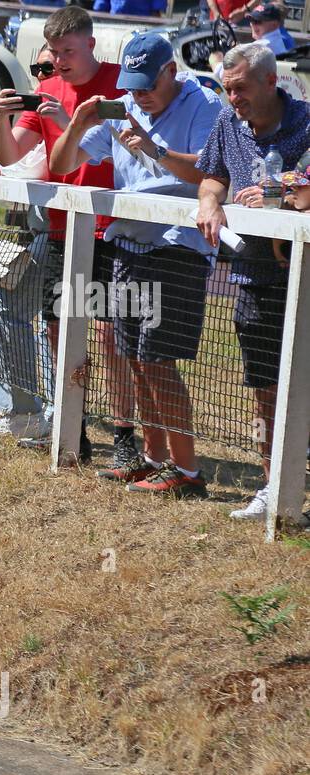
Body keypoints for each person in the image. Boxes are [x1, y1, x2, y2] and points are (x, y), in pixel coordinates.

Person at [51, 34, 223, 497]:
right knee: (134, 359)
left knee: (158, 361)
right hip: (128, 246)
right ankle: (153, 459)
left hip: (177, 248)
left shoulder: (204, 104)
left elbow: (213, 173)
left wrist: (154, 149)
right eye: (133, 83)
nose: (139, 94)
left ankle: (187, 473)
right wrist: (79, 121)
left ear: (171, 71)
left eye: (147, 83)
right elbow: (63, 163)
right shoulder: (123, 105)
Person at [0, 5, 132, 463]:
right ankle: (72, 423)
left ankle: (126, 434)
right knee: (57, 330)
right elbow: (15, 152)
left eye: (68, 51)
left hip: (108, 229)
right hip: (58, 228)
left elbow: (94, 157)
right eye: (53, 52)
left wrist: (59, 121)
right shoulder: (47, 87)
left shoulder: (120, 84)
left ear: (91, 44)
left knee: (111, 336)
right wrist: (0, 119)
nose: (60, 60)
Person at [196, 42, 310, 519]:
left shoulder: (307, 121)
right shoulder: (227, 122)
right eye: (226, 89)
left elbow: (305, 193)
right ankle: (272, 489)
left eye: (240, 88)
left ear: (270, 81)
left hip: (303, 277)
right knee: (264, 386)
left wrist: (281, 199)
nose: (233, 98)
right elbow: (212, 176)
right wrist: (209, 202)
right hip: (250, 274)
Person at [0, 45, 57, 440]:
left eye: (50, 67)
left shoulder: (70, 109)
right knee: (22, 313)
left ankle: (41, 410)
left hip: (69, 232)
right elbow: (12, 155)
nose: (42, 74)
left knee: (40, 320)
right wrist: (1, 121)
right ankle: (26, 407)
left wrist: (16, 169)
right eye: (37, 67)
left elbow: (42, 164)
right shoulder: (35, 109)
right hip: (40, 230)